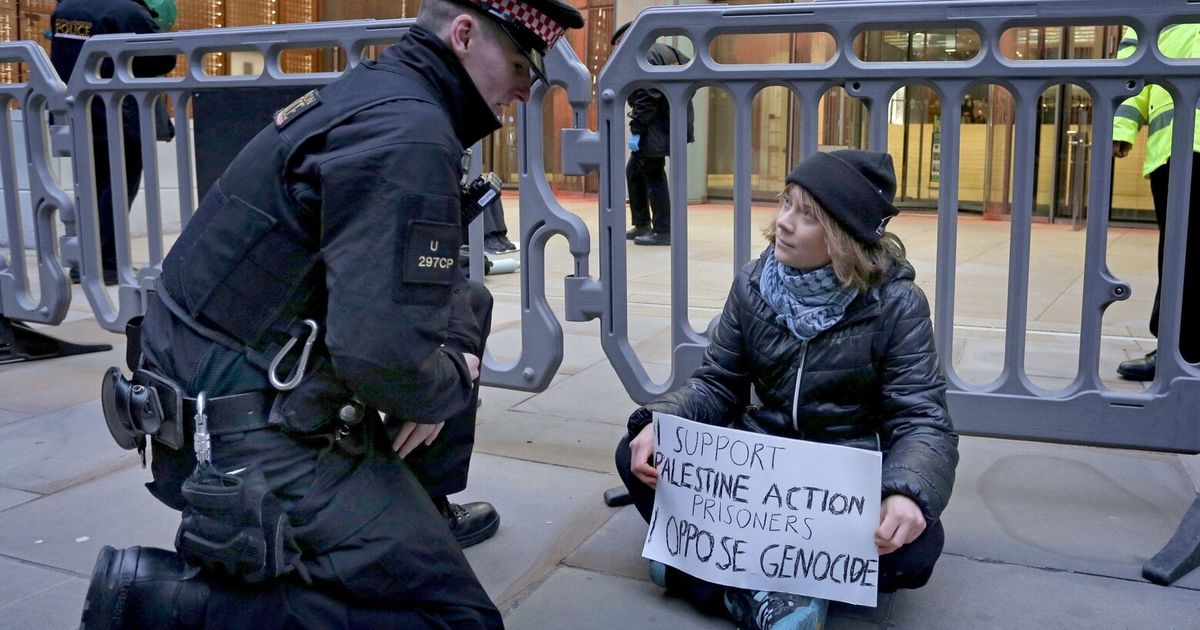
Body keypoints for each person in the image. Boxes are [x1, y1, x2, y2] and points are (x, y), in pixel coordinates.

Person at [82, 1, 583, 628]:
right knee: (454, 617)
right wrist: (444, 383)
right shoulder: (410, 133)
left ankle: (405, 517)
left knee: (464, 316)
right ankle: (167, 605)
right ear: (462, 36)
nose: (522, 87)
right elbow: (380, 361)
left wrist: (436, 370)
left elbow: (442, 286)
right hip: (247, 429)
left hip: (206, 391)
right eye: (516, 64)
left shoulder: (380, 96)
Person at [614, 150, 959, 629]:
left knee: (918, 549)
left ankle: (707, 574)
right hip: (760, 474)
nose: (783, 223)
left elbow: (922, 420)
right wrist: (661, 421)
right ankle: (768, 590)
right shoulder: (754, 284)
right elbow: (717, 383)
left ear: (845, 236)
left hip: (841, 484)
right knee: (639, 451)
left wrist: (908, 494)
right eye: (786, 204)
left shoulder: (897, 306)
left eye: (808, 215)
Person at [50, 0, 177, 286]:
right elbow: (163, 58)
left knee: (89, 190)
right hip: (122, 113)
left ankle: (83, 263)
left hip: (79, 112)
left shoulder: (66, 9)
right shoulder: (127, 10)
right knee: (117, 192)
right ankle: (107, 265)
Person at [1112, 24, 1200, 381]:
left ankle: (1182, 348)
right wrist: (1120, 128)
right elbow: (1131, 73)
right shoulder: (1156, 13)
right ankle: (1178, 348)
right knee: (1179, 254)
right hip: (1175, 150)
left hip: (1176, 150)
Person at [611, 21, 694, 247]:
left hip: (654, 127)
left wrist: (636, 130)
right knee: (635, 171)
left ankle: (663, 230)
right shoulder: (668, 51)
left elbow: (647, 95)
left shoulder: (643, 54)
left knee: (653, 174)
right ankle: (642, 223)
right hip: (672, 123)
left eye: (619, 43)